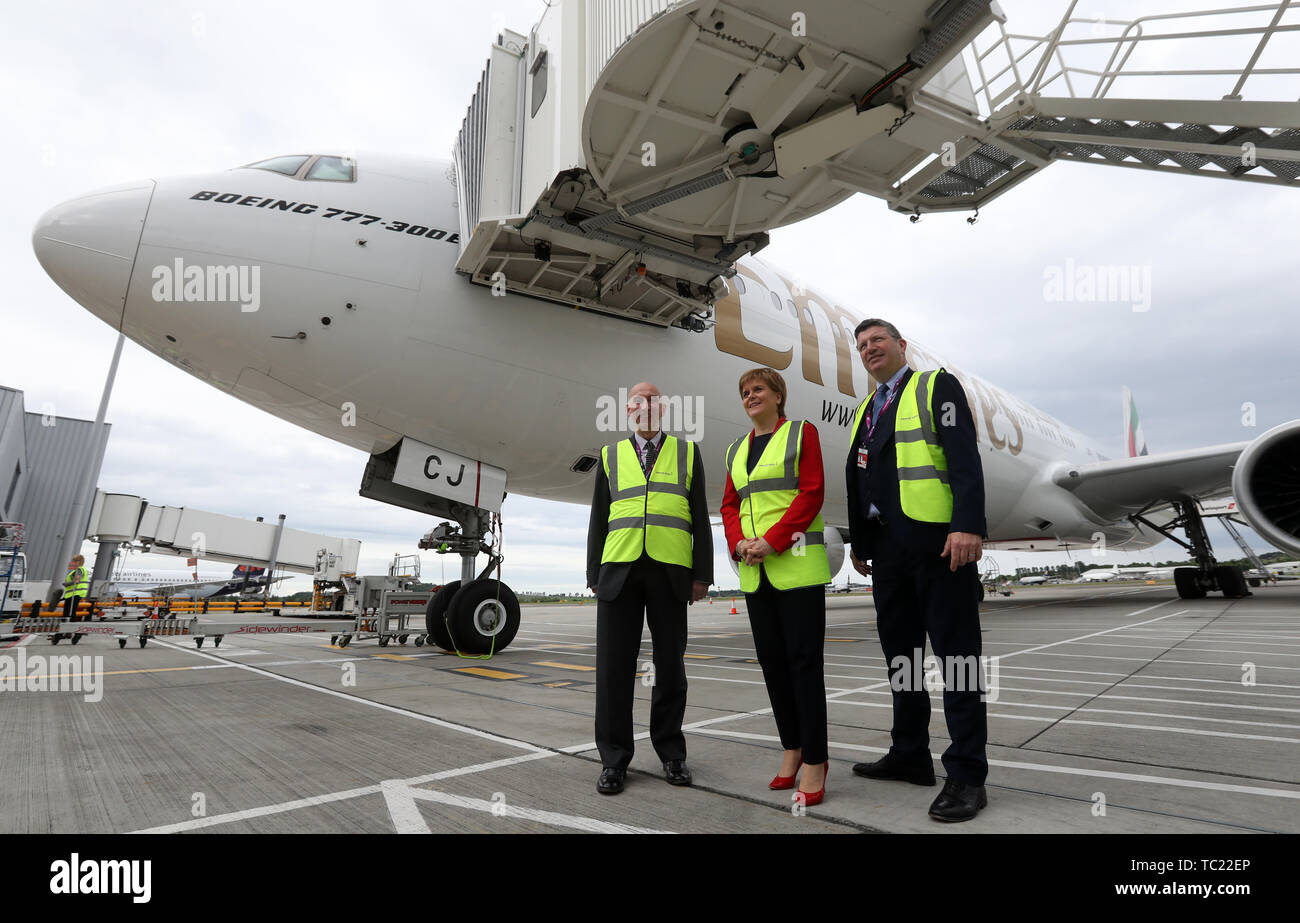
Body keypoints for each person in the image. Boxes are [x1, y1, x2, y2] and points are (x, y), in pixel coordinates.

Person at [844, 318, 990, 822]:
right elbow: (863, 478)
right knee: (901, 660)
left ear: (901, 345)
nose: (869, 349)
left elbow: (963, 458)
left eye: (877, 340)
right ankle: (909, 754)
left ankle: (968, 773)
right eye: (861, 345)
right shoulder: (868, 407)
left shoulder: (934, 385)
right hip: (887, 553)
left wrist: (967, 524)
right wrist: (860, 544)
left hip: (937, 545)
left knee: (958, 662)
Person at [586, 381, 713, 795]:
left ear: (664, 409)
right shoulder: (609, 455)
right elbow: (598, 521)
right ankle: (614, 759)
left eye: (654, 400)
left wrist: (701, 575)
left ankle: (672, 754)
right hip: (618, 570)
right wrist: (593, 574)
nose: (646, 406)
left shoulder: (687, 452)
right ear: (628, 410)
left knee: (670, 668)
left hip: (670, 571)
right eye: (638, 400)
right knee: (613, 670)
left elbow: (699, 517)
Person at [721, 368, 831, 806]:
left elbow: (811, 492)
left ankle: (817, 760)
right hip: (754, 570)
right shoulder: (735, 449)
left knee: (804, 665)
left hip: (796, 566)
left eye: (758, 389)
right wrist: (738, 544)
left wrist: (772, 541)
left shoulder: (802, 433)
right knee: (772, 664)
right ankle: (792, 748)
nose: (751, 396)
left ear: (778, 395)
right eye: (745, 391)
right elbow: (730, 505)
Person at [61, 554, 90, 636]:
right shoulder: (81, 569)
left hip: (74, 594)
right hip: (74, 594)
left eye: (74, 561)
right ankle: (69, 631)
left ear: (79, 562)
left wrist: (66, 584)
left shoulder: (79, 570)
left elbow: (76, 580)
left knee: (69, 613)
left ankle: (72, 631)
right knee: (70, 613)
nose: (72, 563)